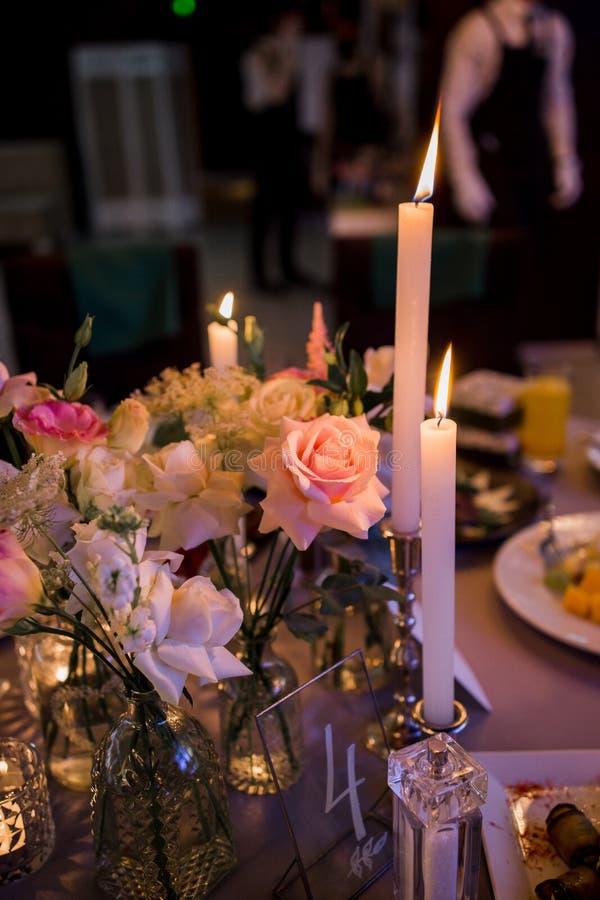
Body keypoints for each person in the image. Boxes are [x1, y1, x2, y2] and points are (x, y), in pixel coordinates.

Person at [439, 0, 582, 228]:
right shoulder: (477, 29)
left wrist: (565, 158)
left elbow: (557, 100)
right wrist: (464, 177)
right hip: (489, 164)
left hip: (532, 163)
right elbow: (453, 111)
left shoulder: (555, 28)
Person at [240, 5, 317, 291]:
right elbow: (274, 92)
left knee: (290, 204)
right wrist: (287, 58)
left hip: (287, 138)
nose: (297, 33)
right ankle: (260, 275)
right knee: (264, 207)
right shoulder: (263, 53)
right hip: (266, 137)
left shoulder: (288, 54)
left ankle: (288, 267)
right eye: (293, 27)